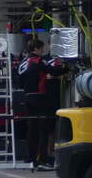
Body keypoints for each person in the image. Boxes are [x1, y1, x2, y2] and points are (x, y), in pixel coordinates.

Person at [15, 37, 67, 169]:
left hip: (27, 97)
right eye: (42, 48)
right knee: (43, 129)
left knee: (31, 129)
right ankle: (42, 160)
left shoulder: (23, 62)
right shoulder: (38, 60)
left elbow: (19, 80)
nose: (43, 51)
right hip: (40, 97)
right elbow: (54, 71)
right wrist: (67, 68)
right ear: (36, 49)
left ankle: (30, 158)